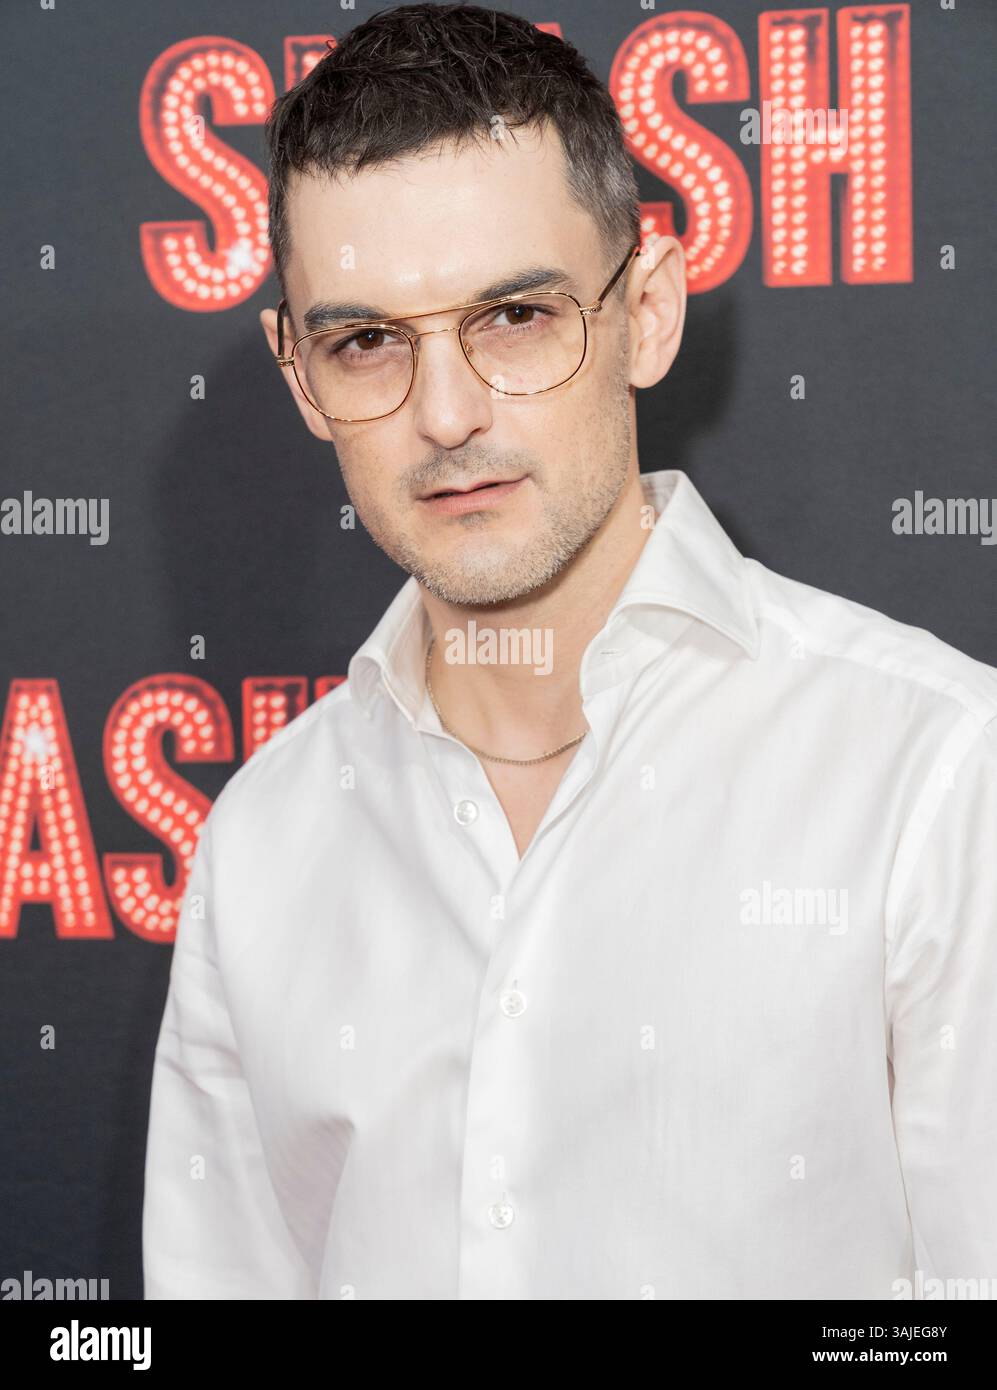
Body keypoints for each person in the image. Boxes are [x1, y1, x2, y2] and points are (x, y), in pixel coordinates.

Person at [142, 3, 997, 1299]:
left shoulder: (932, 775)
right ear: (300, 377)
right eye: (366, 341)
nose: (445, 414)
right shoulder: (262, 841)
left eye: (516, 318)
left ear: (645, 311)